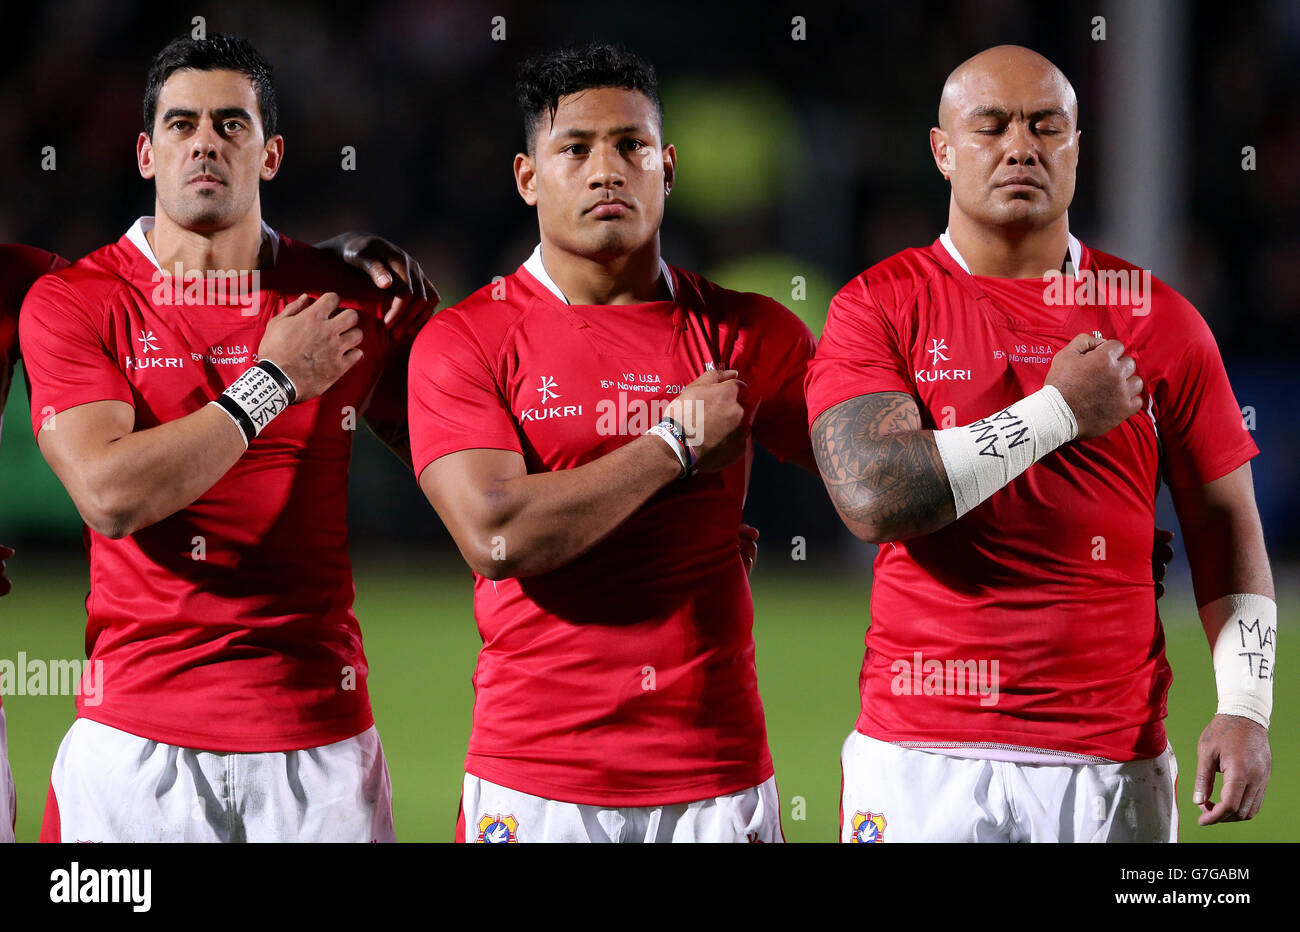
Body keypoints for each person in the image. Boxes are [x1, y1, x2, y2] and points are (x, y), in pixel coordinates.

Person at [806, 45, 1274, 843]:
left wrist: (1245, 705)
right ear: (942, 151)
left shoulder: (1158, 318)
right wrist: (1058, 412)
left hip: (1107, 763)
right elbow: (874, 495)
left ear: (1078, 150)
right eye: (989, 127)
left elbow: (1226, 524)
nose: (1020, 146)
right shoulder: (878, 305)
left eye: (1045, 127)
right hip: (921, 753)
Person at [18, 33, 436, 842]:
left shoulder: (345, 300)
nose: (204, 141)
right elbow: (112, 496)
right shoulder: (77, 302)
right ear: (145, 153)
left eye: (230, 124)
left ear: (270, 154)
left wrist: (679, 505)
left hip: (319, 749)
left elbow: (472, 475)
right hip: (133, 751)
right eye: (180, 124)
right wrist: (272, 382)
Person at [408, 43, 817, 843]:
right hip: (536, 784)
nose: (607, 171)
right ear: (529, 178)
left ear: (667, 167)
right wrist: (675, 445)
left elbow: (883, 484)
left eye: (631, 147)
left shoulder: (750, 332)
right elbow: (496, 533)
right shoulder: (467, 340)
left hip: (717, 778)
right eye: (576, 149)